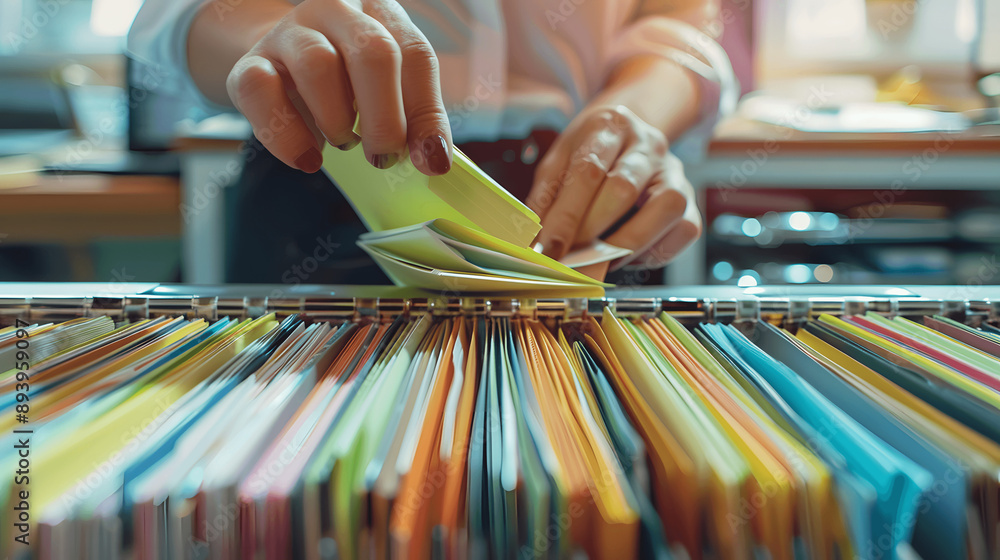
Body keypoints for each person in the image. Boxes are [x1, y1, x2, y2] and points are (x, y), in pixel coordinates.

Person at [128, 0, 731, 284]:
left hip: (577, 207)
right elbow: (185, 15)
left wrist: (633, 116)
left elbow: (676, 21)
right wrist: (272, 39)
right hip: (323, 186)